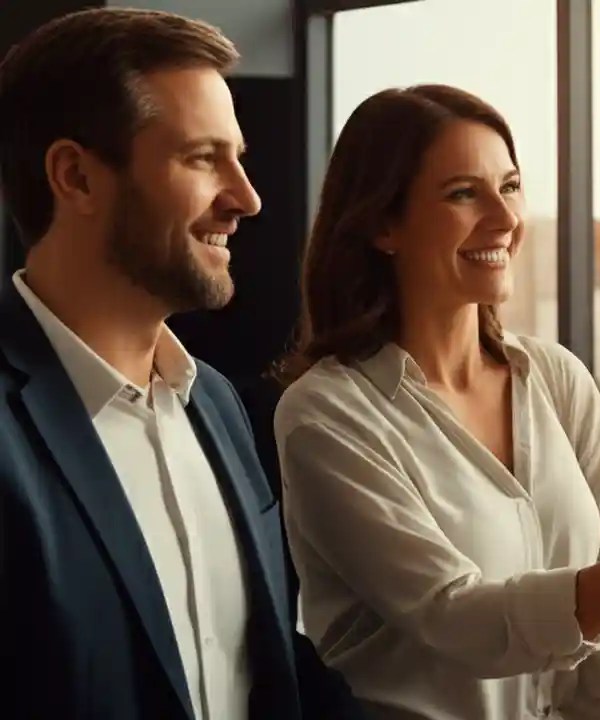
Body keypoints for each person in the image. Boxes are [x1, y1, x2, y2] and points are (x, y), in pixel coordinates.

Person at [272, 83, 600, 720]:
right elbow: (456, 617)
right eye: (462, 193)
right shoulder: (328, 415)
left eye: (508, 187)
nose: (504, 219)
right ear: (382, 223)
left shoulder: (556, 378)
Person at [0, 9, 363, 720]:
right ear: (75, 177)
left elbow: (261, 664)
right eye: (203, 158)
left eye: (239, 157)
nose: (246, 198)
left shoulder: (218, 404)